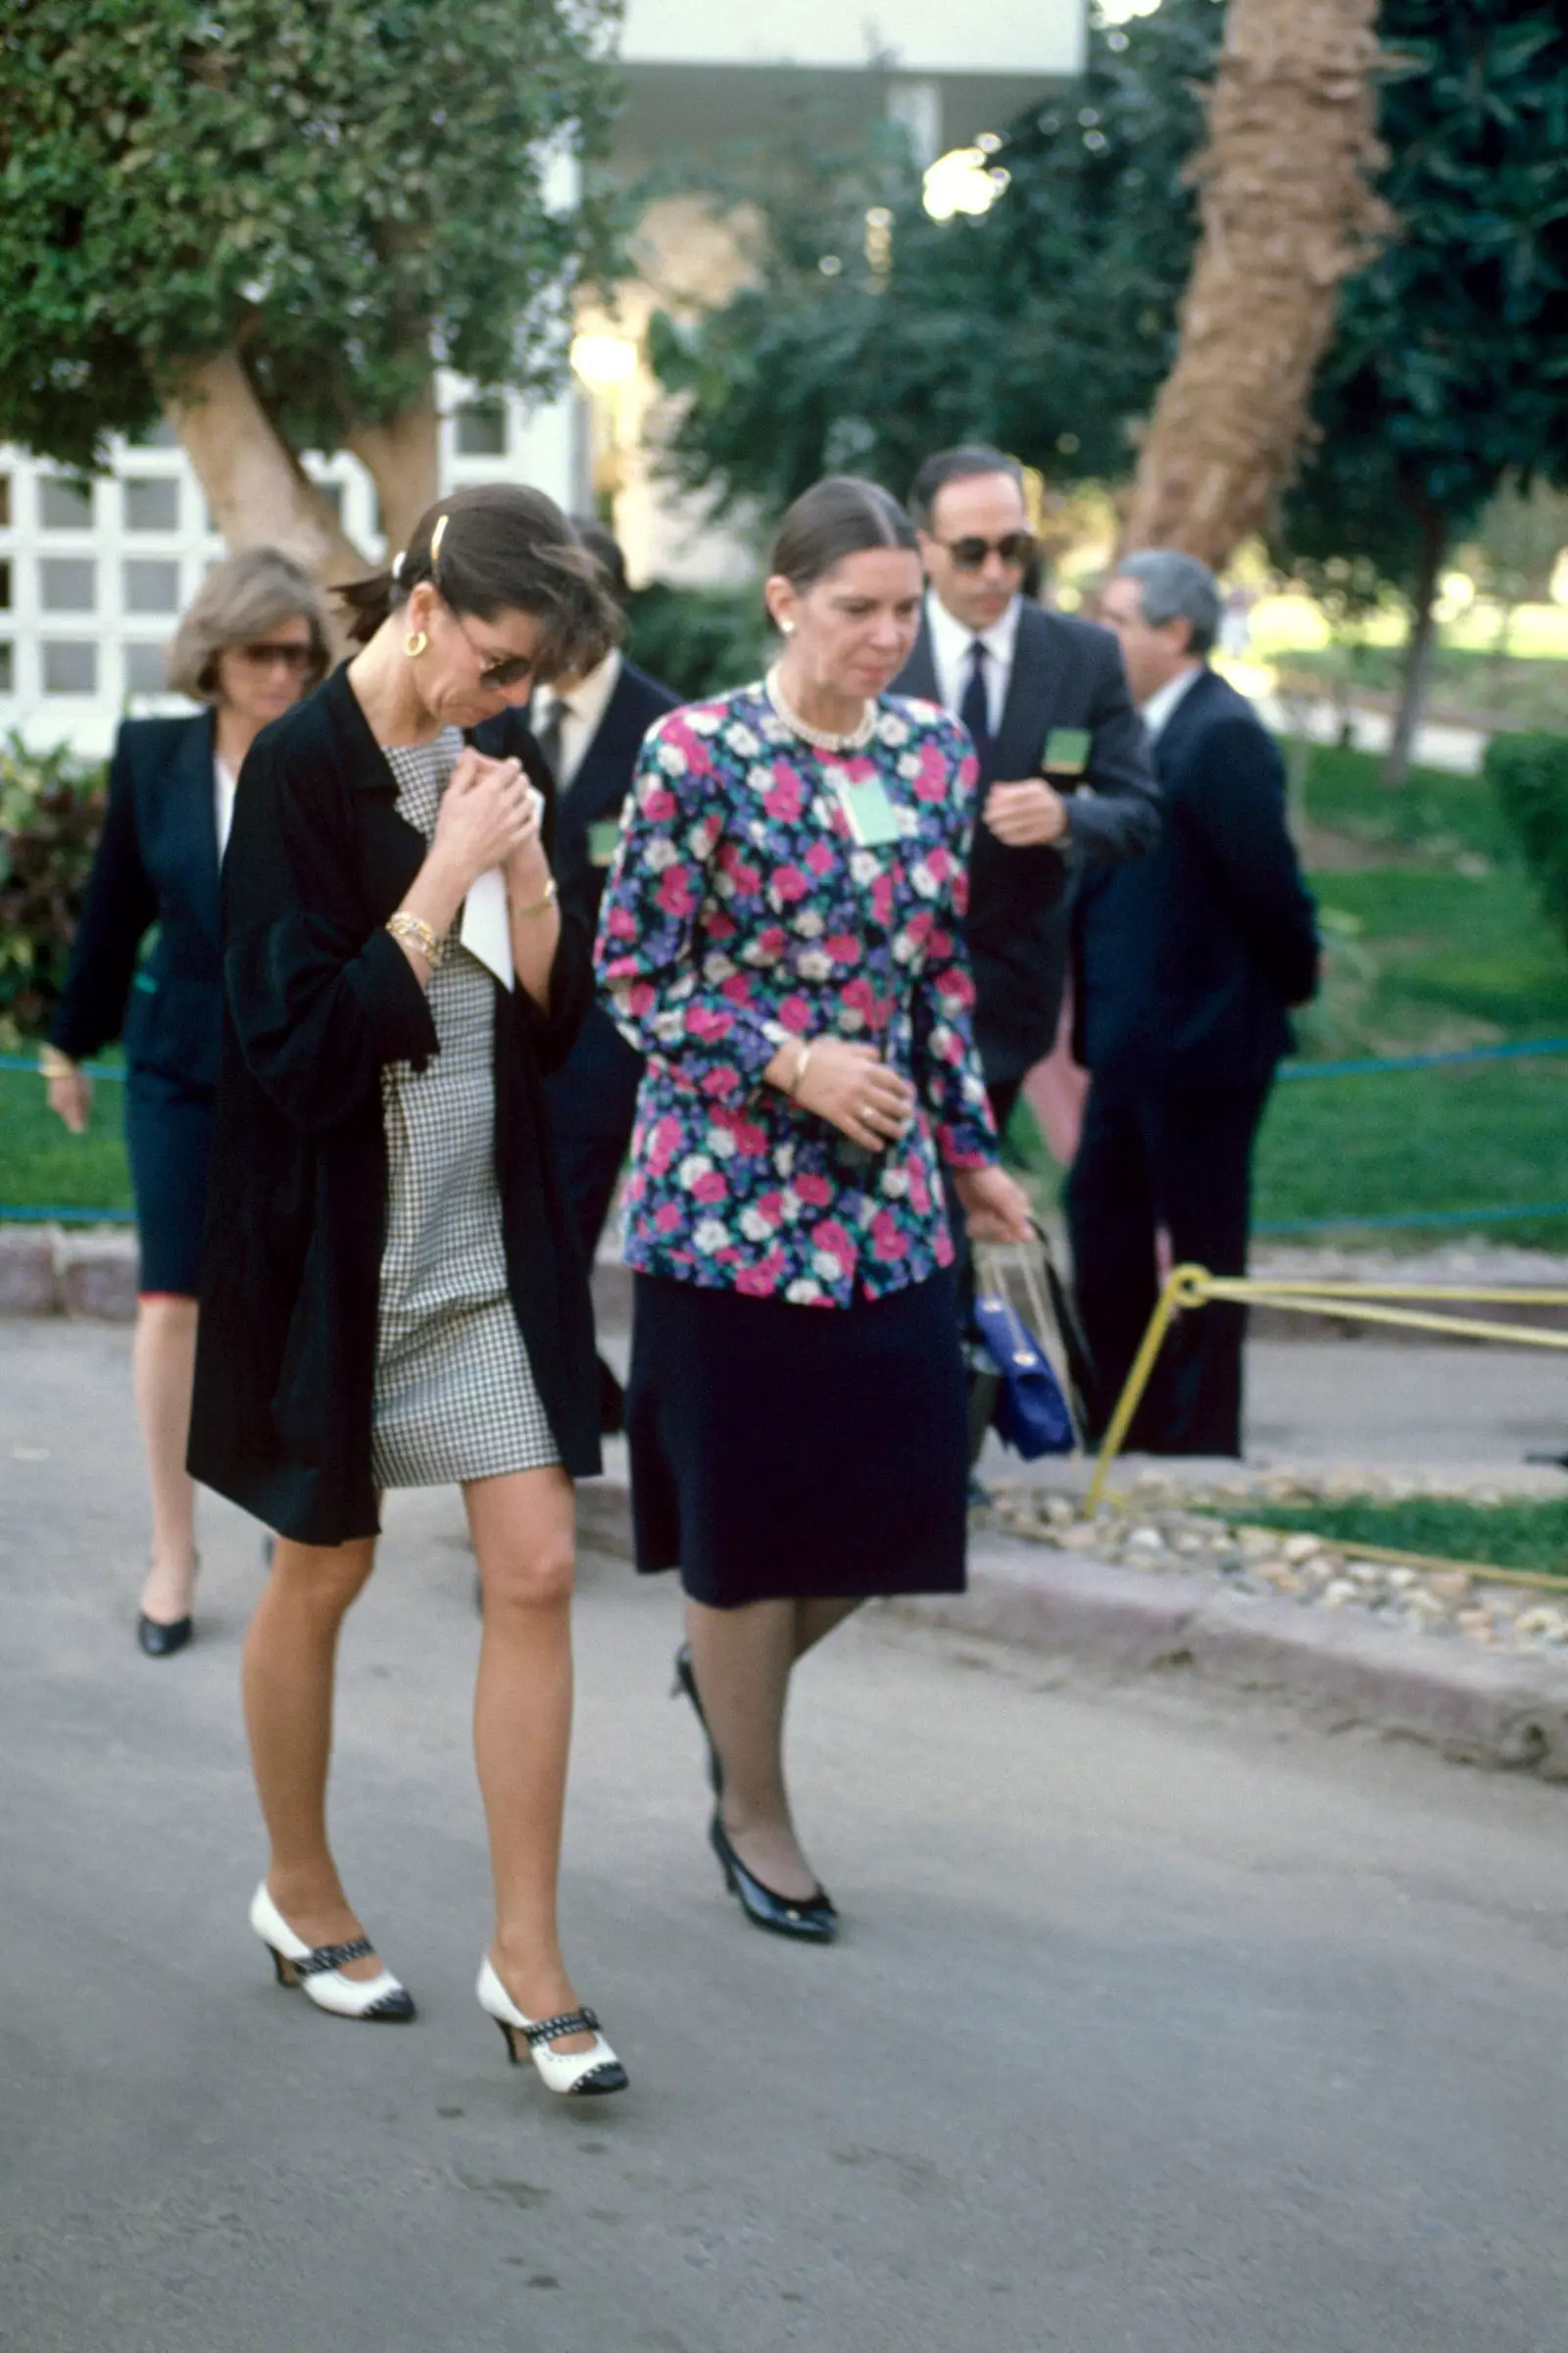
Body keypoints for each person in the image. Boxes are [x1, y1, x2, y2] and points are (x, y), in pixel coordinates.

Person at [186, 485, 629, 2096]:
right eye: (499, 666)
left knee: (536, 1571)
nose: (509, 703)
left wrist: (534, 898)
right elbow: (296, 1049)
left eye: (534, 684)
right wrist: (447, 873)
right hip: (337, 1257)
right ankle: (298, 1891)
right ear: (426, 604)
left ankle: (531, 1960)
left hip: (480, 1240)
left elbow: (556, 1031)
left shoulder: (498, 754)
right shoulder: (303, 769)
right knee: (324, 1570)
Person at [596, 475, 1032, 1943]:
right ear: (785, 602)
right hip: (726, 1206)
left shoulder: (932, 752)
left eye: (908, 607)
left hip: (891, 1206)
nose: (890, 636)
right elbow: (636, 974)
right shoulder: (693, 752)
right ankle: (753, 1808)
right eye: (858, 609)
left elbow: (938, 978)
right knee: (745, 1520)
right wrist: (787, 1059)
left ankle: (733, 1668)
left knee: (904, 1500)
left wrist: (971, 1150)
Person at [41, 550, 330, 1657]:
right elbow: (116, 905)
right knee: (173, 1303)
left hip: (304, 1068)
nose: (284, 674)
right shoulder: (153, 755)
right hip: (176, 1064)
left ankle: (285, 1503)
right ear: (214, 655)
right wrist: (71, 1041)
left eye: (302, 656)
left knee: (299, 1300)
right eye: (264, 653)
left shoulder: (328, 758)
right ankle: (175, 1545)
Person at [1068, 551, 1319, 1457]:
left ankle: (1203, 1441)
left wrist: (1292, 981)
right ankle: (1125, 1426)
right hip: (1131, 1044)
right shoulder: (1131, 729)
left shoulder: (1221, 734)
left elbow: (1270, 887)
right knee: (1103, 1232)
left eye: (1119, 617)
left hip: (1205, 1044)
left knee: (1205, 1255)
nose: (1103, 633)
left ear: (1175, 632)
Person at [893, 445, 1159, 1137]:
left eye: (1014, 549)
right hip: (879, 989)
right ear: (925, 548)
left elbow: (1140, 812)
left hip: (1008, 995)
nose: (996, 573)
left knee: (963, 1201)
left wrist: (1067, 816)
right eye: (971, 551)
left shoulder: (1083, 655)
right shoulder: (879, 644)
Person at [532, 521, 681, 1430]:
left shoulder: (668, 729)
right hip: (492, 1030)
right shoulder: (490, 709)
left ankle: (542, 1457)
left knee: (560, 1240)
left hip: (603, 1043)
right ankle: (579, 1393)